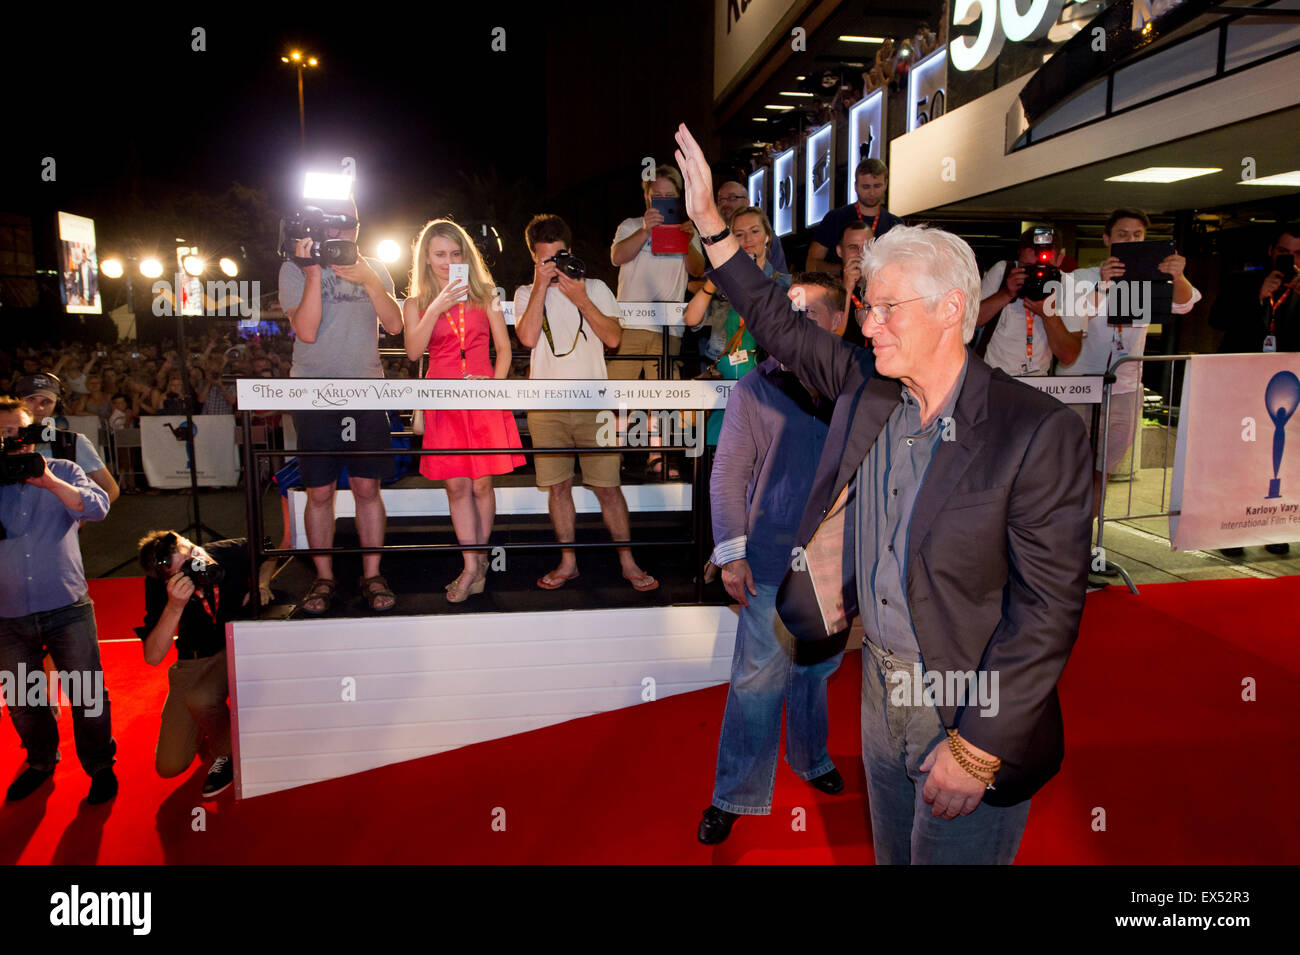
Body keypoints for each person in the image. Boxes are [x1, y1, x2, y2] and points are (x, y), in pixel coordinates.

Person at [675, 121, 1092, 864]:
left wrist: (978, 748)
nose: (866, 324)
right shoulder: (869, 392)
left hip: (967, 707)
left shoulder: (1038, 432)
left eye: (886, 307)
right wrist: (711, 226)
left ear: (951, 310)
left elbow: (1047, 610)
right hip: (878, 690)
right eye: (865, 305)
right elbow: (775, 323)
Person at [699, 272, 848, 844]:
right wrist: (732, 555)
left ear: (838, 320)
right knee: (756, 679)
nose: (792, 326)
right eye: (786, 314)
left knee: (817, 670)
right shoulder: (753, 388)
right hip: (767, 558)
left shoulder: (863, 384)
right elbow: (729, 475)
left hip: (836, 558)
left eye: (807, 314)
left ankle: (811, 758)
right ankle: (735, 794)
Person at [514, 214, 658, 593]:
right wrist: (541, 287)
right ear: (533, 257)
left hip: (595, 402)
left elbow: (613, 338)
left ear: (569, 252)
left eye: (559, 257)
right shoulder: (524, 293)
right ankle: (568, 562)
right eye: (545, 260)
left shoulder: (594, 287)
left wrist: (580, 299)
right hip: (546, 406)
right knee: (558, 487)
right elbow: (527, 339)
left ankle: (628, 562)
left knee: (608, 486)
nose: (553, 266)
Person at [279, 195, 405, 614]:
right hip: (314, 391)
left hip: (366, 389)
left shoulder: (374, 267)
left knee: (368, 487)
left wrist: (370, 279)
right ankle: (324, 578)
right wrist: (314, 272)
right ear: (319, 225)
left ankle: (373, 574)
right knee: (319, 491)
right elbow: (307, 332)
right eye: (332, 223)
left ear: (358, 224)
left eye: (349, 222)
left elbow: (395, 324)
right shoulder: (294, 267)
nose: (341, 231)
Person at [0, 397, 117, 804]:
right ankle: (40, 761)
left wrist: (49, 481)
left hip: (66, 604)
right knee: (23, 700)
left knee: (86, 693)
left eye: (21, 432)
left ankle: (101, 765)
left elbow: (99, 507)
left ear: (35, 434)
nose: (15, 441)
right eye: (4, 433)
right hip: (7, 613)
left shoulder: (64, 469)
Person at [403, 219, 525, 602]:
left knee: (482, 482)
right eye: (439, 254)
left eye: (455, 254)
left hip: (483, 396)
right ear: (425, 257)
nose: (447, 261)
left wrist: (496, 387)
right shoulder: (415, 302)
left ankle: (479, 561)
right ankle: (471, 564)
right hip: (442, 398)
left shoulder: (486, 294)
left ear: (466, 257)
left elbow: (504, 349)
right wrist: (437, 305)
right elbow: (412, 351)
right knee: (456, 484)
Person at [1057, 208, 1202, 522]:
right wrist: (1104, 285)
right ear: (1107, 239)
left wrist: (1177, 276)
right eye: (1123, 235)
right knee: (1068, 468)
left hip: (1124, 388)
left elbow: (1186, 303)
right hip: (1079, 385)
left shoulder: (1151, 277)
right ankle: (1059, 537)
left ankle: (1087, 541)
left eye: (1137, 236)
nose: (1131, 240)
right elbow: (1072, 317)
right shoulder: (1080, 277)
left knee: (1103, 469)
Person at [136, 531, 273, 798]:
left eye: (192, 556)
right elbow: (152, 657)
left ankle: (225, 751)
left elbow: (268, 549)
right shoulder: (157, 586)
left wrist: (262, 583)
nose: (197, 565)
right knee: (169, 765)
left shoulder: (229, 551)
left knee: (200, 698)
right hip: (195, 657)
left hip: (238, 645)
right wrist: (174, 606)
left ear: (188, 543)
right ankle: (207, 723)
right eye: (185, 570)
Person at [1209, 225, 1299, 557]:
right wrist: (1257, 296)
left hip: (1288, 387)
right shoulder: (1242, 281)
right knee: (1241, 457)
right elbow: (1217, 321)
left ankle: (1275, 527)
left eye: (1299, 255)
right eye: (1286, 253)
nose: (1292, 260)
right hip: (1242, 384)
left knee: (1280, 460)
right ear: (1273, 250)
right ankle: (1233, 529)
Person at [693, 206, 790, 446]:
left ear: (767, 236)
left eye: (754, 231)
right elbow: (692, 320)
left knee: (763, 454)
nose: (747, 240)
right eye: (738, 234)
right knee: (720, 457)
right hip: (724, 383)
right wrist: (714, 280)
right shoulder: (721, 282)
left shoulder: (785, 285)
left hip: (768, 383)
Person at [976, 227, 1084, 376]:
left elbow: (1068, 356)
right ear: (1019, 256)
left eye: (1044, 269)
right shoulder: (1003, 272)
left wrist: (1048, 315)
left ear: (1059, 260)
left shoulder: (1070, 287)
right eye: (1027, 267)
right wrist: (1006, 294)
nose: (1036, 274)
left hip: (1038, 381)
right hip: (995, 377)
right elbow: (972, 321)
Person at [15, 372, 119, 505]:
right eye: (31, 400)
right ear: (17, 401)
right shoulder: (5, 440)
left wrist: (80, 517)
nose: (39, 407)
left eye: (46, 401)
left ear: (57, 404)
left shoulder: (72, 441)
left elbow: (111, 489)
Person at [805, 158, 902, 275]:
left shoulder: (896, 224)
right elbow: (811, 265)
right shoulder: (835, 218)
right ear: (855, 186)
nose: (871, 192)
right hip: (841, 290)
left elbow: (903, 267)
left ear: (886, 184)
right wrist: (845, 269)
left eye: (877, 186)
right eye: (866, 187)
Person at [716, 178, 789, 273]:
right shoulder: (713, 239)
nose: (725, 203)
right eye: (721, 199)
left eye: (732, 198)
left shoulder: (767, 239)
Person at [837, 220, 875, 348]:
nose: (861, 254)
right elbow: (832, 337)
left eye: (867, 247)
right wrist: (847, 289)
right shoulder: (827, 290)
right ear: (839, 251)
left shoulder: (888, 286)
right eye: (853, 248)